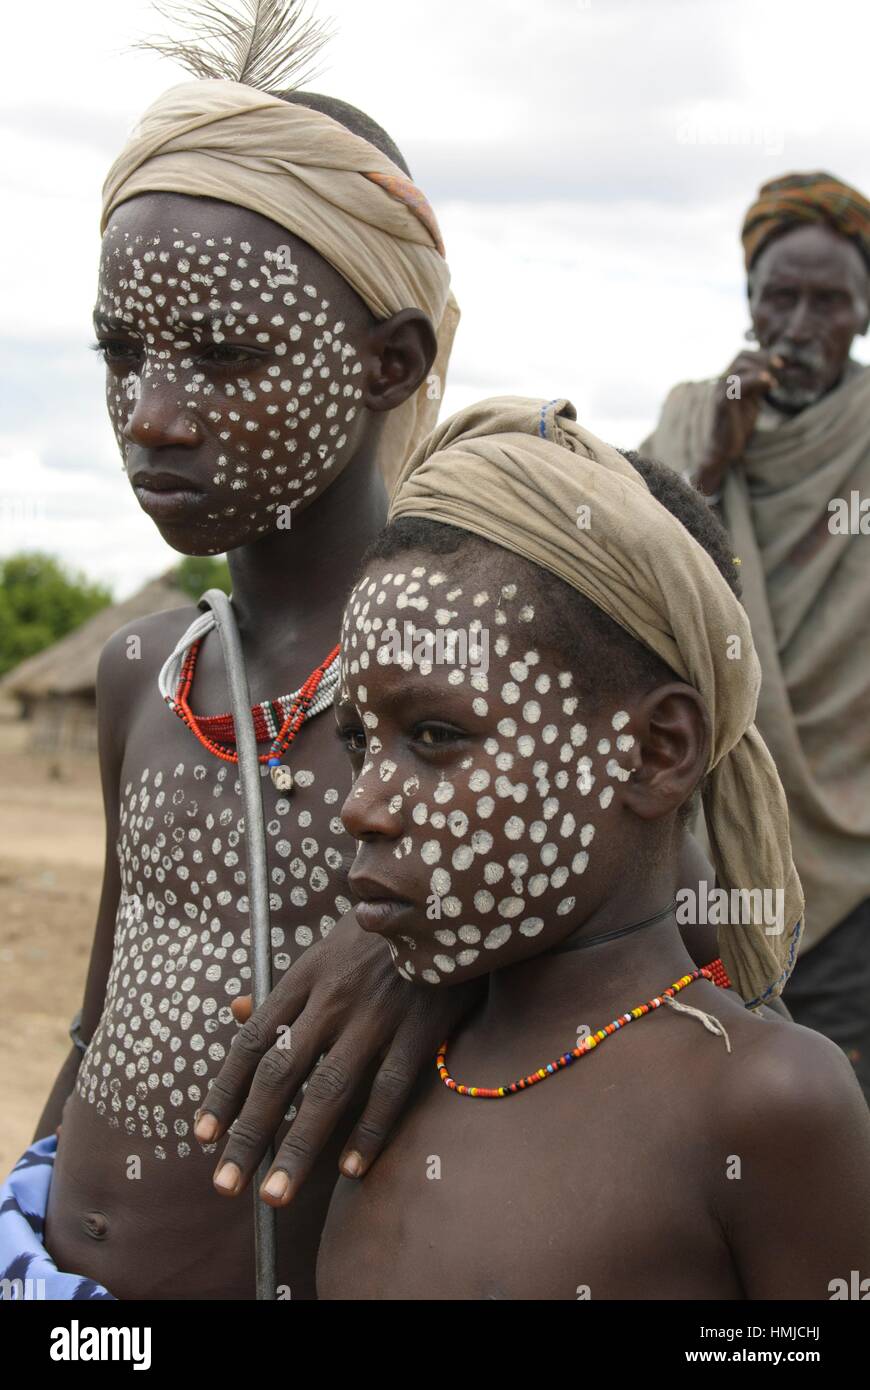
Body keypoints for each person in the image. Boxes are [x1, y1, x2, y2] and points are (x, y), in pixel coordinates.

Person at [0, 5, 464, 1301]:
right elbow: (104, 1013)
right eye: (119, 351)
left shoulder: (449, 676)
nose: (150, 415)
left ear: (388, 363)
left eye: (223, 354)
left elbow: (675, 922)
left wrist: (426, 936)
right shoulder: (141, 673)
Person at [315, 396, 870, 1301]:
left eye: (437, 737)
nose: (363, 805)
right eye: (356, 741)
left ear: (656, 752)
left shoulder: (764, 1101)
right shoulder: (378, 1063)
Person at [641, 172, 870, 1100]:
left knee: (840, 1103)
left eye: (831, 301)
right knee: (717, 1090)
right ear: (748, 301)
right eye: (782, 296)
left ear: (863, 313)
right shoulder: (694, 414)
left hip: (858, 857)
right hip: (713, 841)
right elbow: (638, 581)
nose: (801, 323)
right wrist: (712, 463)